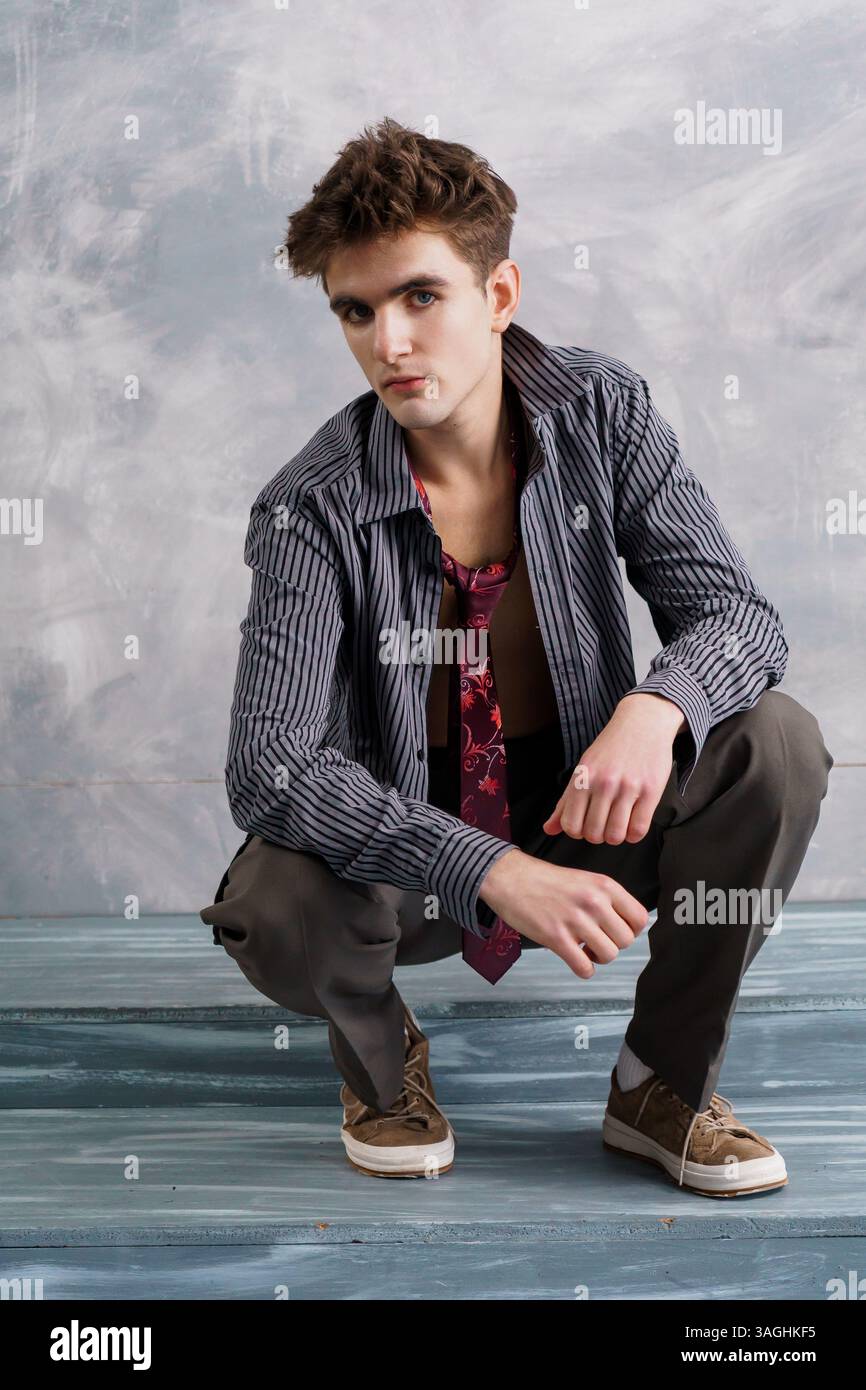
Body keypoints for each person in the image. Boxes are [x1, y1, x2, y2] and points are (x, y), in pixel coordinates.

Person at [200, 117, 833, 1196]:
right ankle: (379, 1062)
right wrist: (483, 864)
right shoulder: (309, 508)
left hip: (590, 814)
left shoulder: (601, 411)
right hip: (407, 864)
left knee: (774, 743)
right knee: (274, 892)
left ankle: (660, 1083)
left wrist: (656, 708)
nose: (386, 343)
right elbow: (271, 764)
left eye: (418, 297)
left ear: (497, 296)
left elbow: (734, 614)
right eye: (355, 311)